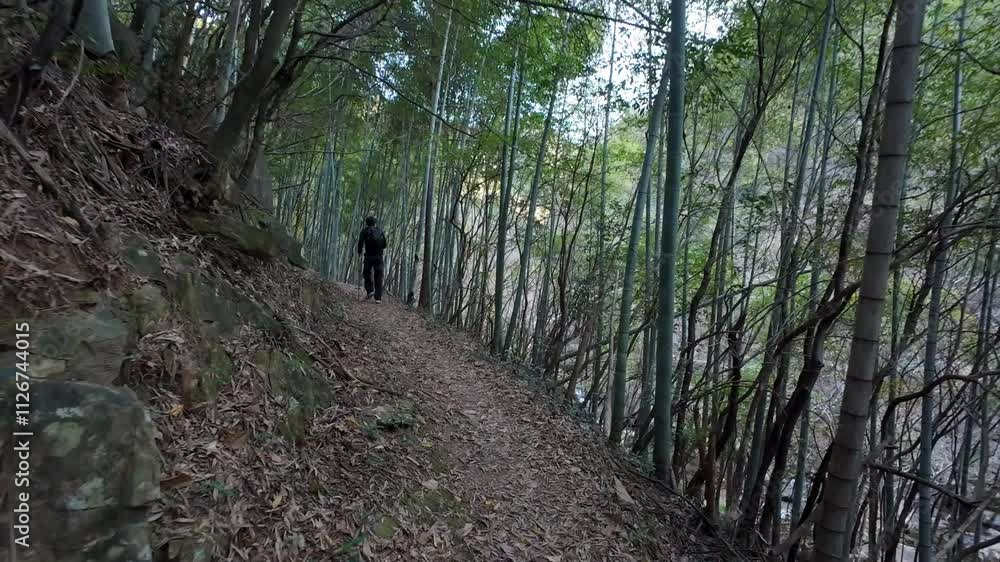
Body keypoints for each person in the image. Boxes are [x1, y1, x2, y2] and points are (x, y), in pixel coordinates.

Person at [357, 216, 387, 303]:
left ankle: (370, 291)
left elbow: (360, 242)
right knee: (378, 275)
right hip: (379, 256)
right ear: (375, 222)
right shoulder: (380, 230)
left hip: (368, 256)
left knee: (366, 273)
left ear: (367, 223)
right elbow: (384, 244)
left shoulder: (365, 231)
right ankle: (378, 298)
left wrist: (359, 252)